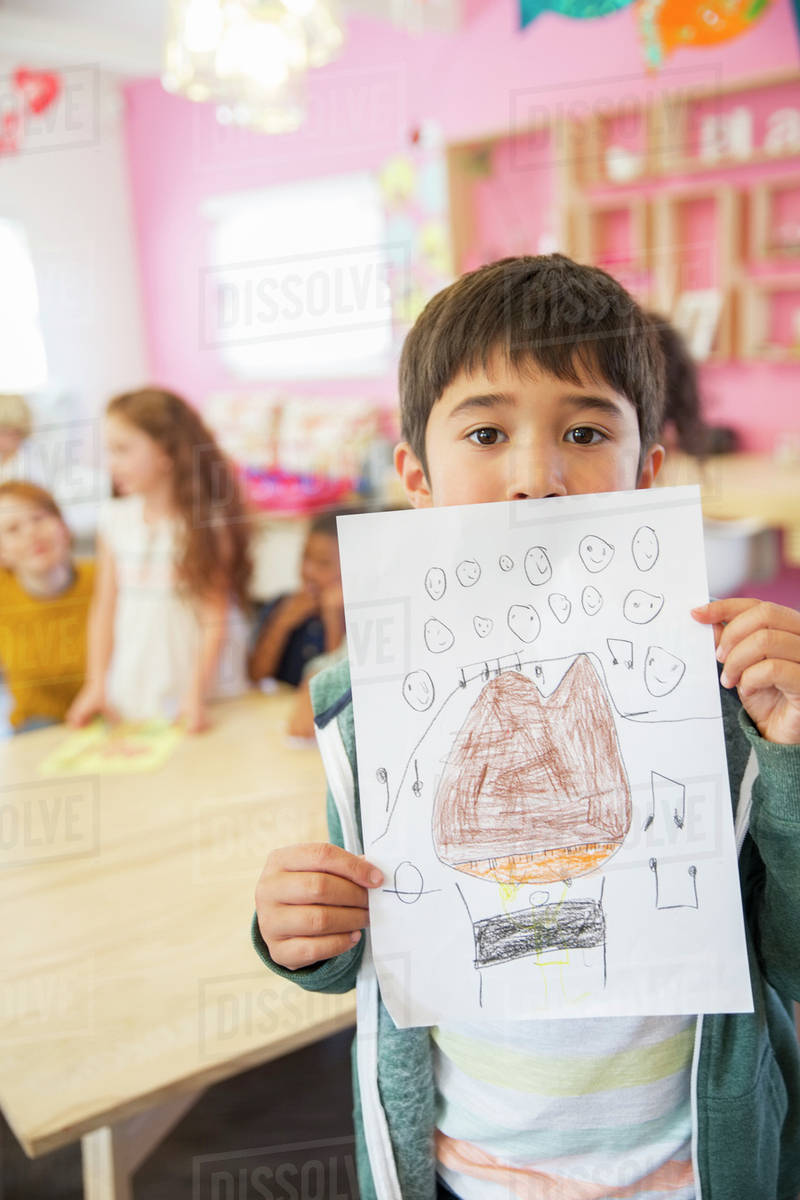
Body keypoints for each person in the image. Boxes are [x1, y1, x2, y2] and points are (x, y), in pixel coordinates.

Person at [252, 256, 800, 1200]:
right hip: (473, 1172)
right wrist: (303, 931)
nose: (537, 479)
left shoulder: (729, 695)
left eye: (584, 430)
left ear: (646, 473)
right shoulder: (364, 702)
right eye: (488, 430)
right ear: (417, 478)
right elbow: (366, 930)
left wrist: (790, 758)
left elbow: (788, 951)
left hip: (694, 1168)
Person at [67, 387, 252, 733]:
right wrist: (96, 684)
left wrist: (194, 694)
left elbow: (215, 617)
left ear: (167, 451)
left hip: (195, 677)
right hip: (137, 671)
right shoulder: (114, 518)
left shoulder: (205, 524)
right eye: (109, 450)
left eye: (122, 449)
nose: (112, 463)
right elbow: (104, 608)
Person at [0, 480, 94, 732]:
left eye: (38, 518)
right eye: (13, 529)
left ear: (64, 527)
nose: (32, 533)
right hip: (36, 725)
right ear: (2, 552)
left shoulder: (103, 581)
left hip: (107, 714)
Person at [248, 510, 345, 689]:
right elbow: (256, 675)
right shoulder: (281, 604)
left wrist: (334, 620)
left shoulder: (354, 618)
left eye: (323, 563)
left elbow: (337, 687)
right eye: (305, 557)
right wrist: (281, 624)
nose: (308, 570)